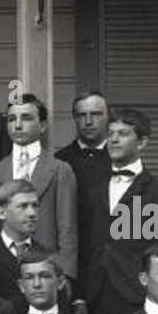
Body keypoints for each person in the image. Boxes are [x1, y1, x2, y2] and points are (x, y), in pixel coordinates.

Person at [81, 107, 158, 314]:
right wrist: (82, 296)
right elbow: (85, 246)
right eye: (110, 133)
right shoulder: (95, 191)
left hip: (138, 298)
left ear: (141, 143)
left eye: (122, 133)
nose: (113, 139)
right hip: (97, 299)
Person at [0, 94, 79, 284]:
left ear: (42, 126)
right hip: (3, 270)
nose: (17, 125)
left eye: (26, 118)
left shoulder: (59, 169)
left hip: (47, 269)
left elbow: (67, 227)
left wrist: (65, 275)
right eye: (12, 119)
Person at [54, 89, 112, 289]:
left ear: (107, 117)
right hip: (74, 267)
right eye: (81, 115)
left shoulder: (122, 160)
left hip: (114, 269)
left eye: (95, 114)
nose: (88, 121)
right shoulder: (60, 162)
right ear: (74, 118)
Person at [0, 179, 43, 312]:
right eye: (23, 206)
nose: (32, 213)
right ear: (1, 213)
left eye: (35, 205)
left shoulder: (46, 256)